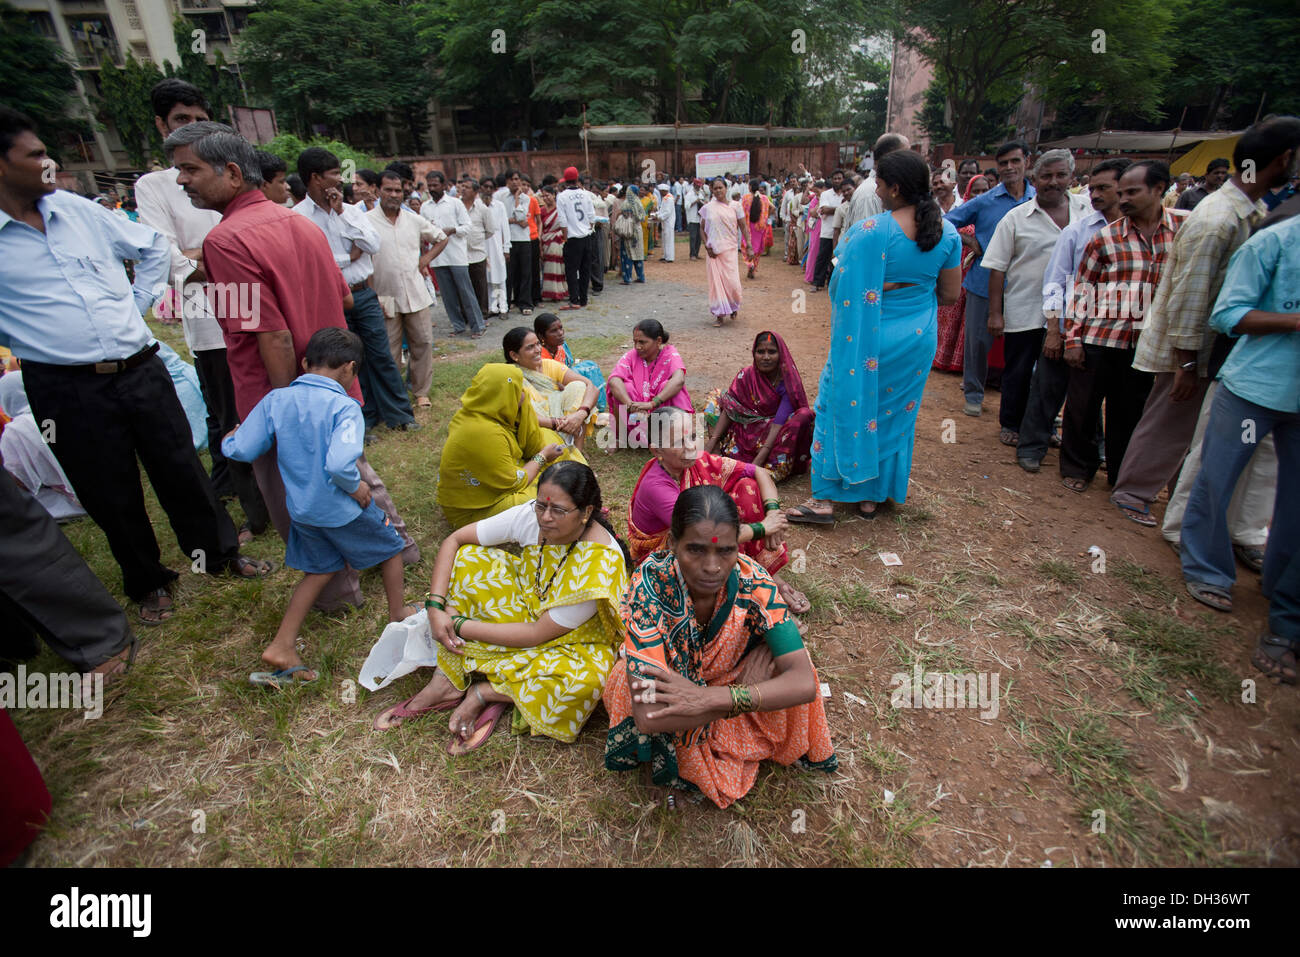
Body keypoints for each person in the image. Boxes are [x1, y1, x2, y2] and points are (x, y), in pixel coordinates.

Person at [0, 107, 268, 625]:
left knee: (179, 464)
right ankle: (148, 581)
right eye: (34, 154)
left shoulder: (79, 211)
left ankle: (216, 553)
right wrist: (30, 337)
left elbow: (149, 249)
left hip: (140, 366)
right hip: (64, 384)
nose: (48, 162)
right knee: (107, 485)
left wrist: (137, 299)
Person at [173, 123, 420, 612]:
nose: (181, 181)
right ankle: (399, 549)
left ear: (232, 171)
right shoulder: (302, 224)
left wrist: (288, 409)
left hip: (278, 393)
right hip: (333, 384)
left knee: (300, 502)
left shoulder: (225, 241)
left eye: (189, 169)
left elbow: (272, 334)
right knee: (354, 473)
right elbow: (343, 296)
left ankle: (337, 594)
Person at [1112, 119, 1300, 530]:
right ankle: (1133, 492)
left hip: (1213, 348)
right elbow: (1191, 296)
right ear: (1284, 158)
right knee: (1168, 421)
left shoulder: (1251, 211)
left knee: (1187, 428)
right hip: (1190, 346)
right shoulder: (1217, 219)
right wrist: (1185, 363)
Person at [604, 485, 835, 808]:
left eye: (725, 551)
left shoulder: (754, 581)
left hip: (711, 689)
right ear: (672, 543)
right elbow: (648, 714)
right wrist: (742, 697)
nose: (712, 566)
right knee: (626, 687)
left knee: (788, 669)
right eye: (696, 550)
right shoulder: (649, 585)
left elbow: (802, 681)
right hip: (677, 691)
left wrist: (709, 698)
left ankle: (706, 737)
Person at [372, 462, 629, 753]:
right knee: (469, 560)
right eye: (540, 506)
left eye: (558, 510)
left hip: (571, 639)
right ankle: (447, 682)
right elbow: (455, 540)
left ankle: (487, 692)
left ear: (586, 513)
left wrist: (455, 625)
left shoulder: (600, 563)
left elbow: (536, 634)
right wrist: (435, 608)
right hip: (528, 598)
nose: (545, 518)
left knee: (585, 682)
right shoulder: (533, 517)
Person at [223, 329, 420, 686]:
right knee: (391, 547)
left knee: (318, 571)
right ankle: (398, 613)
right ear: (350, 369)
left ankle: (283, 644)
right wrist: (356, 486)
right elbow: (340, 464)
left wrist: (228, 442)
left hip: (302, 511)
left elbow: (243, 448)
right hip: (341, 507)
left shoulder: (276, 400)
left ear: (304, 362)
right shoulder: (345, 406)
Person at [788, 150, 962, 523]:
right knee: (892, 415)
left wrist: (879, 291)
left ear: (895, 188)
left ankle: (824, 500)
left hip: (868, 339)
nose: (876, 190)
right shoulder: (947, 233)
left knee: (841, 402)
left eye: (880, 183)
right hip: (916, 339)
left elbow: (839, 288)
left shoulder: (870, 232)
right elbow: (949, 295)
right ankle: (872, 498)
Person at [135, 88, 269, 542]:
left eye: (199, 117)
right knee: (232, 414)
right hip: (211, 319)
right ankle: (254, 514)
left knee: (267, 400)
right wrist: (213, 257)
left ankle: (278, 497)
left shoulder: (231, 181)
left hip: (256, 309)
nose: (188, 125)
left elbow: (257, 245)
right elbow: (169, 262)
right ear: (161, 124)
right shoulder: (159, 186)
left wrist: (211, 255)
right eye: (178, 118)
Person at [1179, 210, 1300, 624]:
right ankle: (1207, 569)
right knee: (1217, 478)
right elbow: (1227, 314)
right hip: (1255, 386)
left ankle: (1282, 580)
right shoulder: (1275, 242)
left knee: (1290, 496)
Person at [1060, 160, 1186, 491]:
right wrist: (1072, 339)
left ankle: (1120, 474)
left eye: (1133, 191)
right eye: (1122, 192)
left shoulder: (1184, 230)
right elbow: (1082, 291)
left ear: (1159, 189)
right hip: (1101, 337)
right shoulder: (1104, 239)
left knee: (1129, 412)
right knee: (1083, 408)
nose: (1125, 199)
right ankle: (1077, 468)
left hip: (1147, 342)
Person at [630, 405, 808, 613]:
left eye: (693, 436)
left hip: (705, 537)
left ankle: (766, 575)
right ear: (657, 450)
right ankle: (751, 594)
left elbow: (760, 472)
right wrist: (763, 528)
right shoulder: (657, 487)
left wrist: (773, 513)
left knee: (747, 488)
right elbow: (707, 537)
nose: (690, 447)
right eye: (679, 442)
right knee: (717, 536)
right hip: (665, 555)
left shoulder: (696, 461)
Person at [1016, 159, 1132, 472]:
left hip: (1115, 330)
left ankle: (1093, 453)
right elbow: (1055, 281)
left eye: (1103, 188)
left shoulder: (1137, 234)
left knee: (1092, 398)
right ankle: (1031, 446)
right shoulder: (1077, 232)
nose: (1095, 194)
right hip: (1069, 324)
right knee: (1047, 391)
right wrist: (1054, 329)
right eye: (1092, 188)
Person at [294, 147, 419, 434]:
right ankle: (362, 418)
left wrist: (342, 215)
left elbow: (373, 246)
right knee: (343, 360)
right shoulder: (298, 217)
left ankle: (399, 415)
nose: (340, 180)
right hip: (329, 298)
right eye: (334, 175)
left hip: (362, 294)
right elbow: (311, 260)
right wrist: (348, 257)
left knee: (381, 354)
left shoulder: (351, 212)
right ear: (315, 178)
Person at [981, 149, 1090, 448]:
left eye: (1060, 175)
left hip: (1071, 310)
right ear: (1035, 178)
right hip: (1025, 307)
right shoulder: (1016, 218)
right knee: (1018, 369)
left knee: (1055, 377)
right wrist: (995, 313)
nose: (1053, 182)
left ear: (1071, 177)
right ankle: (1011, 423)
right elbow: (997, 269)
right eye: (1046, 176)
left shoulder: (1087, 213)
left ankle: (1044, 425)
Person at [945, 141, 1035, 417]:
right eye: (1003, 163)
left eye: (1015, 161)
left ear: (1027, 162)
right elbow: (946, 221)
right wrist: (969, 240)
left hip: (1027, 287)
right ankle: (973, 393)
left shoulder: (1038, 200)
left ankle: (1020, 403)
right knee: (978, 343)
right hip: (983, 282)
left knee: (1025, 348)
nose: (1009, 167)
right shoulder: (985, 201)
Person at [436, 363, 566, 528]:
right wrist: (542, 457)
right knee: (546, 495)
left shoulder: (480, 412)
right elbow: (515, 482)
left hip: (498, 477)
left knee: (548, 439)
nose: (524, 394)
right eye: (518, 389)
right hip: (474, 510)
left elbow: (532, 438)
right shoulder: (485, 433)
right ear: (503, 394)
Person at [368, 170, 447, 410]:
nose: (393, 195)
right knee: (390, 350)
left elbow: (441, 237)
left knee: (422, 343)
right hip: (384, 295)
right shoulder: (366, 220)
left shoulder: (413, 219)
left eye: (398, 190)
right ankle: (394, 395)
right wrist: (371, 294)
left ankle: (421, 391)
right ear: (377, 191)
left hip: (415, 293)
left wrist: (426, 259)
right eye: (388, 190)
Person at [704, 330, 814, 482]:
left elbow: (778, 423)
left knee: (804, 415)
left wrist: (756, 464)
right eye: (761, 352)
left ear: (781, 354)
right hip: (744, 431)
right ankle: (716, 451)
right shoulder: (747, 375)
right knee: (716, 396)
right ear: (754, 353)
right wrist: (712, 441)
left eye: (772, 352)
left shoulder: (788, 382)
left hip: (772, 438)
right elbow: (731, 408)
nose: (766, 357)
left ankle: (769, 471)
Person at [503, 326, 598, 457]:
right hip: (536, 429)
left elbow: (591, 387)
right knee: (526, 402)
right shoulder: (508, 378)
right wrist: (557, 423)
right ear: (514, 355)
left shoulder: (548, 365)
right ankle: (562, 453)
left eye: (537, 344)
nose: (537, 350)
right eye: (530, 347)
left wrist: (580, 414)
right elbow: (518, 416)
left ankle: (577, 454)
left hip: (564, 422)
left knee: (578, 386)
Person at [933, 174, 990, 373]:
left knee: (970, 319)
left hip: (979, 272)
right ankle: (941, 358)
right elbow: (941, 225)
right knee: (949, 311)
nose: (980, 196)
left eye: (985, 191)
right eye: (977, 191)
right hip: (956, 267)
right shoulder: (961, 212)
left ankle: (964, 364)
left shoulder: (992, 213)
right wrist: (967, 240)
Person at [606, 319, 693, 448]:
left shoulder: (670, 355)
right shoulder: (632, 356)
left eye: (642, 342)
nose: (637, 347)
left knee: (672, 388)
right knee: (625, 387)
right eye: (635, 342)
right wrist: (631, 405)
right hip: (636, 414)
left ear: (658, 341)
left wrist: (652, 403)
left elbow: (679, 379)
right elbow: (614, 380)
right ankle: (622, 438)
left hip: (660, 413)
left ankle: (678, 437)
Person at [422, 170, 487, 339]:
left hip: (456, 255)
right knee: (448, 295)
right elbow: (422, 230)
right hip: (437, 258)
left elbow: (468, 227)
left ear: (444, 185)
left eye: (435, 185)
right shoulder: (425, 207)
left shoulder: (454, 203)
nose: (432, 188)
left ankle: (478, 326)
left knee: (466, 292)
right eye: (430, 185)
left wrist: (453, 230)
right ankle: (458, 325)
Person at [699, 178, 751, 327]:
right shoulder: (708, 207)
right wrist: (707, 247)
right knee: (716, 284)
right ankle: (719, 314)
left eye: (720, 188)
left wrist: (749, 246)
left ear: (726, 188)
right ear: (711, 190)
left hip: (730, 249)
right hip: (713, 252)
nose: (718, 191)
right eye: (715, 189)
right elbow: (702, 228)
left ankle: (733, 305)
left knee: (732, 283)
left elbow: (743, 226)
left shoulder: (736, 206)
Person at [533, 312, 607, 407]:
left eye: (561, 328)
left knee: (590, 366)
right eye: (553, 331)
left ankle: (596, 405)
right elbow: (546, 384)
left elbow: (568, 366)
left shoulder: (562, 346)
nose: (560, 333)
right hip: (551, 389)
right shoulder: (538, 356)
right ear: (541, 336)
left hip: (565, 377)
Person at [555, 166, 596, 307]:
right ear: (577, 179)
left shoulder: (562, 196)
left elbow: (562, 220)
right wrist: (587, 229)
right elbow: (591, 217)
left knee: (571, 270)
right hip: (586, 236)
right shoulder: (586, 194)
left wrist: (565, 238)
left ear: (565, 180)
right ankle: (583, 299)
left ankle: (574, 299)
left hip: (572, 238)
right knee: (585, 270)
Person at [458, 175, 496, 319]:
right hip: (460, 254)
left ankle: (482, 314)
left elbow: (490, 230)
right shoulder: (456, 206)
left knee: (480, 286)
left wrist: (476, 239)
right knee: (463, 287)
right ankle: (465, 315)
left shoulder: (482, 209)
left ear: (475, 192)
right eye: (462, 186)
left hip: (477, 253)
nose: (463, 189)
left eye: (467, 187)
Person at [503, 169, 535, 314]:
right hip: (508, 239)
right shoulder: (501, 198)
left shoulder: (526, 198)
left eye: (517, 179)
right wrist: (512, 220)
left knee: (525, 272)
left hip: (523, 239)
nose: (515, 182)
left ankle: (525, 303)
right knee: (509, 273)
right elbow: (501, 220)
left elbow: (522, 219)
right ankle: (507, 302)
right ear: (507, 182)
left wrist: (517, 199)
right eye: (512, 179)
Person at [481, 176, 511, 318]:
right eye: (485, 187)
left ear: (494, 190)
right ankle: (492, 307)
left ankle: (503, 307)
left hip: (497, 247)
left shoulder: (499, 206)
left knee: (500, 278)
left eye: (490, 187)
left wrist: (506, 248)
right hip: (482, 248)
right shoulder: (477, 206)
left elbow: (505, 228)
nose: (487, 190)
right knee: (487, 279)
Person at [538, 188, 569, 303]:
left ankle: (558, 291)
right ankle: (550, 291)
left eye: (548, 195)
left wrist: (560, 236)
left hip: (557, 241)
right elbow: (540, 227)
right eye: (543, 196)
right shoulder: (541, 210)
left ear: (554, 195)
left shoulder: (560, 210)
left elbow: (565, 225)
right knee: (547, 267)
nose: (546, 198)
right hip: (545, 240)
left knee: (558, 267)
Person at [740, 179, 773, 279]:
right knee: (757, 249)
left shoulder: (745, 198)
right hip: (760, 227)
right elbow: (773, 208)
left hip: (748, 227)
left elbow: (741, 211)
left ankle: (750, 264)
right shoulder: (765, 198)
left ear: (750, 187)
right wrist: (765, 216)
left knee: (747, 246)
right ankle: (753, 268)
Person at [616, 185, 647, 283]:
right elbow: (642, 217)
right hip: (637, 230)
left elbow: (621, 214)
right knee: (638, 254)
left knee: (627, 254)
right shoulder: (638, 202)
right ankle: (640, 276)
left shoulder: (626, 203)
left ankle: (627, 278)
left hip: (628, 230)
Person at [655, 182, 677, 261]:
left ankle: (670, 257)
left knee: (669, 239)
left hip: (668, 222)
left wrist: (659, 217)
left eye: (661, 191)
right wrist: (656, 215)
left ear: (664, 191)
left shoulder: (669, 198)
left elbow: (667, 212)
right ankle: (665, 255)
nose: (660, 193)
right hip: (665, 222)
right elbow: (662, 210)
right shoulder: (665, 198)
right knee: (664, 239)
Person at [686, 177, 705, 260]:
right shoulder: (689, 194)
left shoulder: (701, 193)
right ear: (694, 185)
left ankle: (696, 253)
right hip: (692, 218)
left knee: (699, 237)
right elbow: (686, 206)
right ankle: (692, 254)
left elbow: (703, 203)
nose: (698, 187)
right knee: (693, 237)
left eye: (699, 185)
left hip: (700, 218)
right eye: (697, 185)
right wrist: (695, 202)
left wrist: (702, 202)